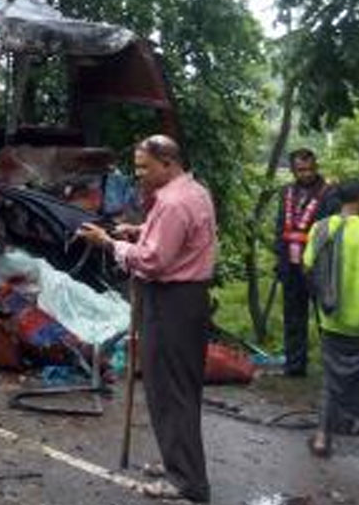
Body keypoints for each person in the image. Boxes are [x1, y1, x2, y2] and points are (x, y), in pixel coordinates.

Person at [76, 135, 217, 502]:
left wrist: (109, 243)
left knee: (169, 391)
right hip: (187, 301)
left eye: (144, 167)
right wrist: (139, 232)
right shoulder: (193, 192)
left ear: (167, 162)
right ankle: (180, 463)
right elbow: (176, 240)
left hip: (171, 301)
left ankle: (187, 481)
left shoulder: (171, 202)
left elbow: (155, 260)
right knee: (179, 388)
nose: (139, 174)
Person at [304, 179, 359, 458]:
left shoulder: (321, 227)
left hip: (331, 317)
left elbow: (307, 265)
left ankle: (321, 438)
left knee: (331, 378)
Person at [274, 148, 339, 377]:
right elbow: (280, 226)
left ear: (316, 166)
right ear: (293, 170)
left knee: (326, 318)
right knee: (293, 316)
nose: (306, 174)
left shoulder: (330, 192)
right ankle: (295, 366)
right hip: (290, 265)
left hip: (319, 265)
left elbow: (333, 229)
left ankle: (331, 367)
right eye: (301, 170)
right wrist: (278, 261)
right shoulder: (286, 192)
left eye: (310, 169)